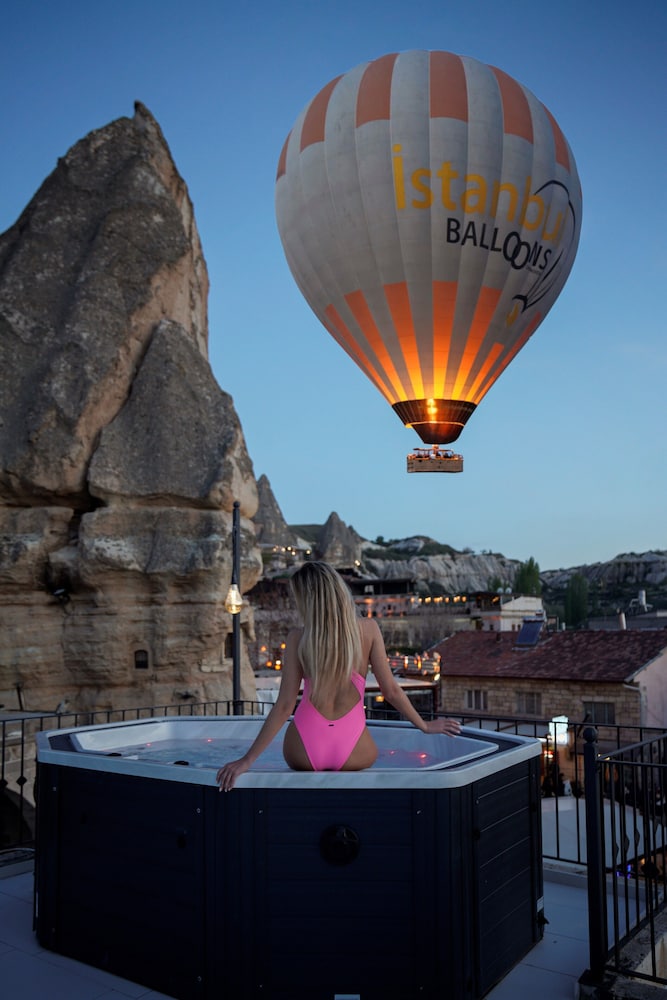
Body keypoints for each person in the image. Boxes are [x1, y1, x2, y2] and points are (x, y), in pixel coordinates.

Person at [216, 561, 461, 791]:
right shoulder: (368, 630)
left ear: (308, 601)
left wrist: (247, 760)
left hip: (303, 749)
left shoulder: (297, 638)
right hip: (355, 750)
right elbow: (391, 691)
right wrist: (425, 726)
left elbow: (284, 706)